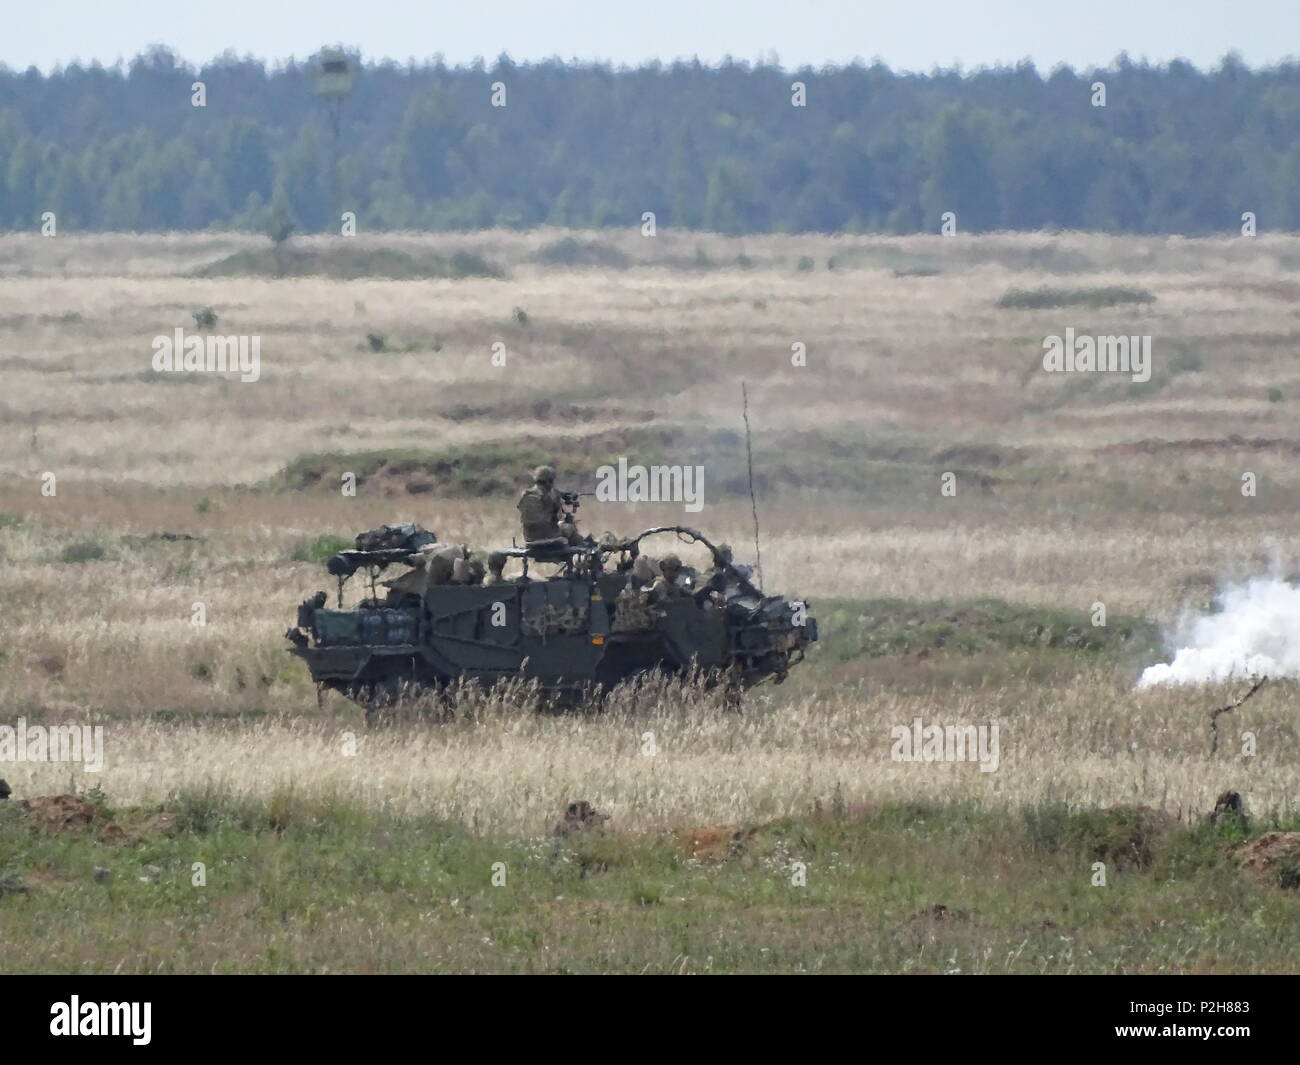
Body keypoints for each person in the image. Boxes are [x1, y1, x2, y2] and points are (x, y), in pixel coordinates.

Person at [516, 465, 579, 545]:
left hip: (529, 537)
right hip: (549, 535)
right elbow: (553, 517)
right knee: (569, 528)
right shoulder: (549, 495)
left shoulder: (527, 494)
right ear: (549, 481)